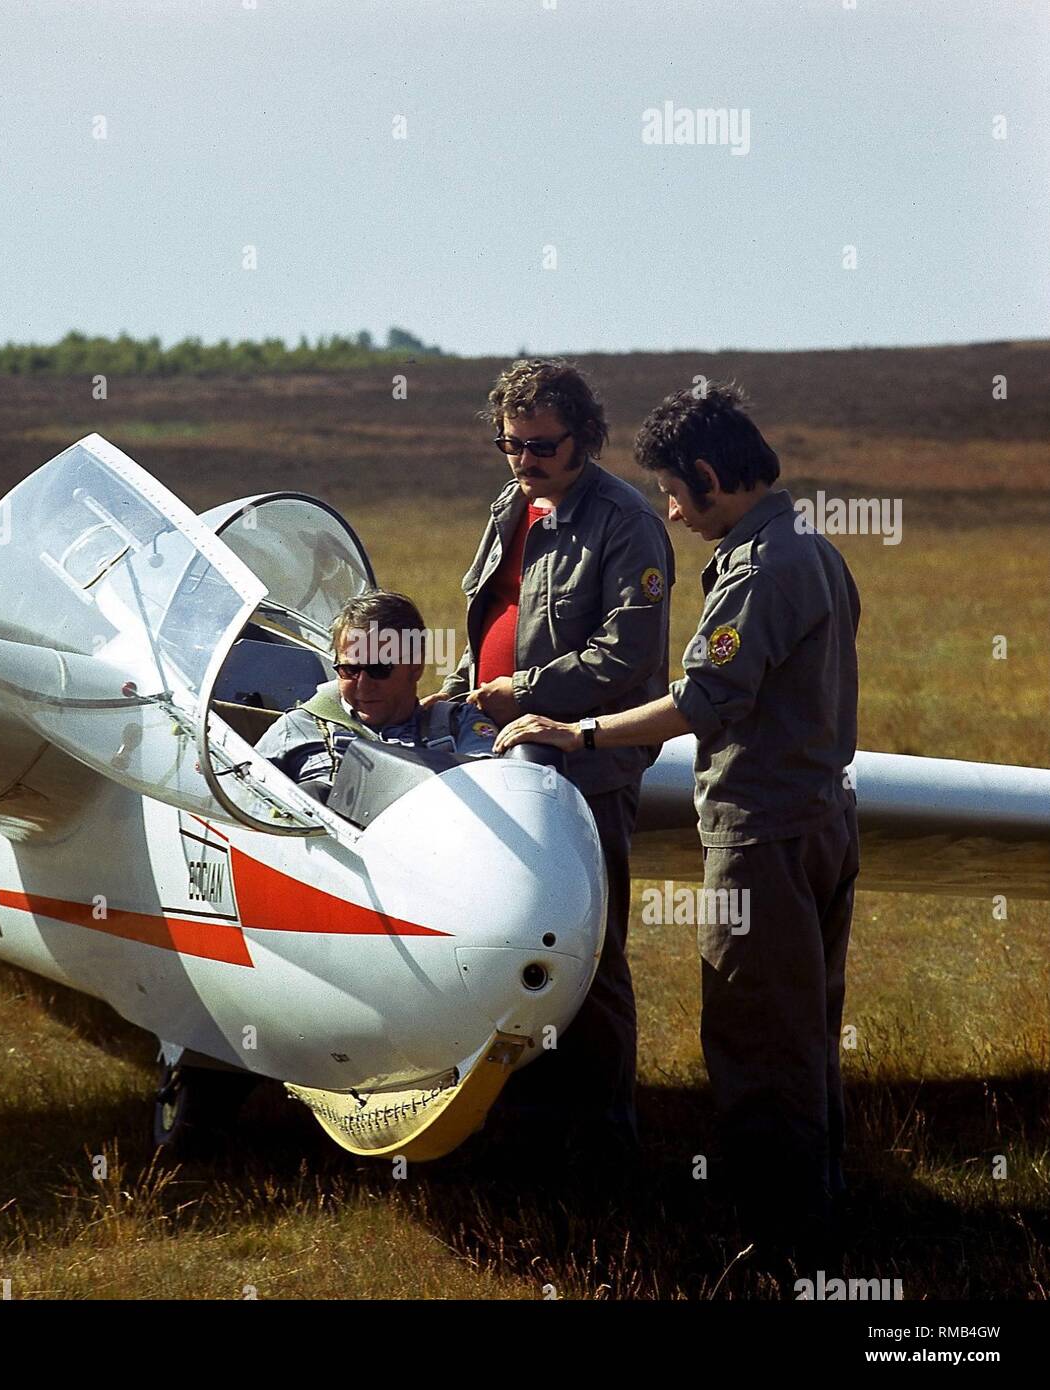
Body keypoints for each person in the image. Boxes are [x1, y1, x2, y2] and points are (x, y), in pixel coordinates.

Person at [496, 381, 860, 1264]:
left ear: (707, 475)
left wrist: (578, 730)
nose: (668, 508)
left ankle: (780, 1240)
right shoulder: (810, 543)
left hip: (763, 834)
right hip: (821, 820)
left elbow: (701, 699)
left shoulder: (759, 565)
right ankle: (820, 1202)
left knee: (756, 1030)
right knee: (806, 1028)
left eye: (672, 489)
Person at [431, 358, 675, 1152]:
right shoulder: (513, 506)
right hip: (505, 755)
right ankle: (519, 1113)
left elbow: (625, 658)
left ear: (586, 438)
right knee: (506, 936)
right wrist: (467, 684)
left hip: (585, 767)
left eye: (541, 445)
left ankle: (606, 1136)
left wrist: (525, 690)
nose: (524, 459)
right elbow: (494, 616)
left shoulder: (626, 523)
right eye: (511, 443)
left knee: (587, 952)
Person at [256, 589, 497, 783]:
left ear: (415, 667)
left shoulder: (459, 727)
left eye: (379, 670)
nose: (363, 686)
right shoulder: (298, 727)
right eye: (349, 670)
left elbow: (493, 784)